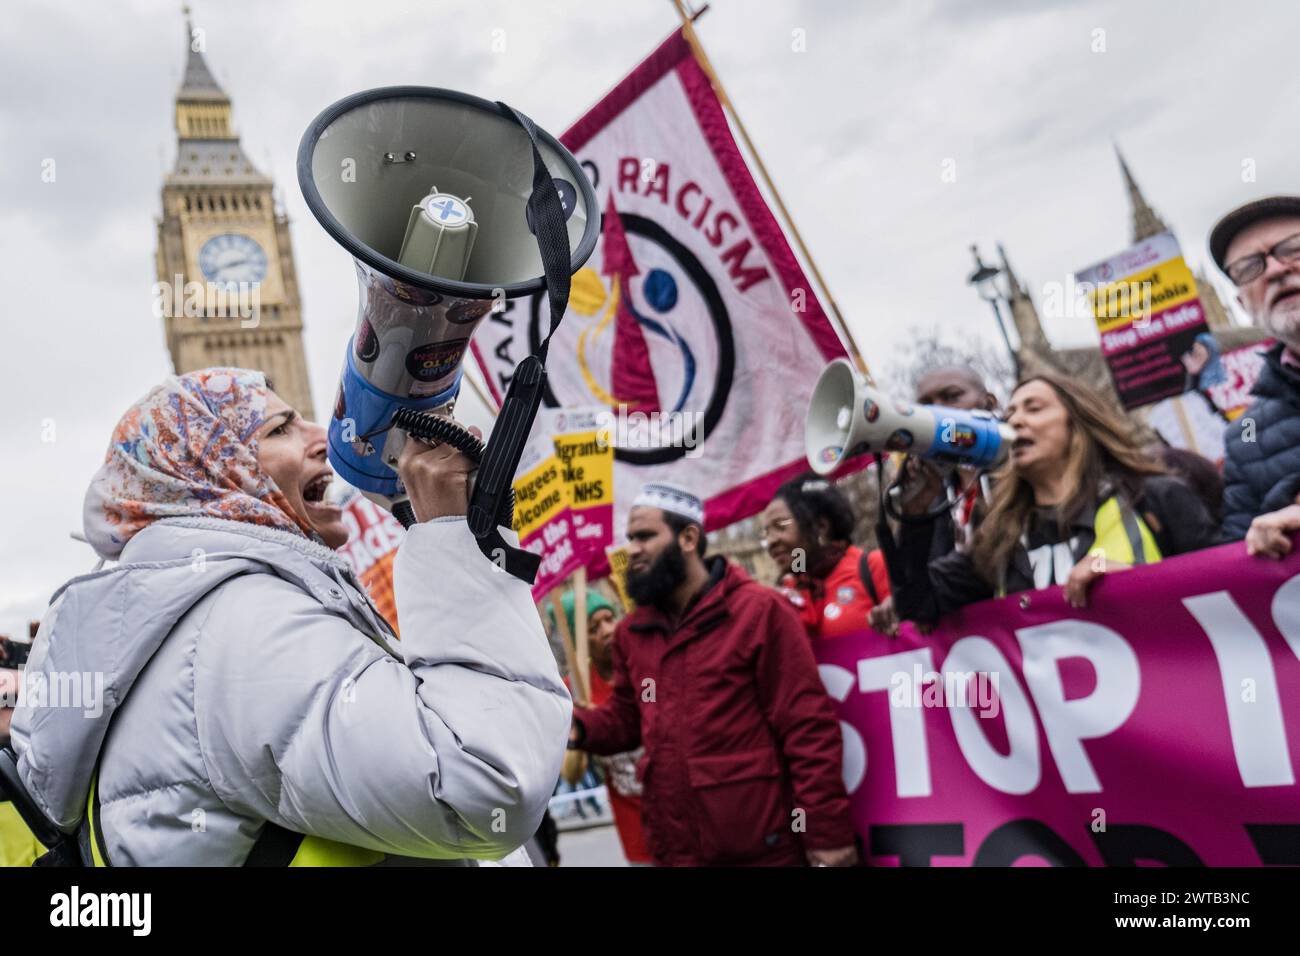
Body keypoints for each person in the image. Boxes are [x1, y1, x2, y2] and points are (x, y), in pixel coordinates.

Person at [7, 368, 569, 866]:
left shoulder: (186, 623)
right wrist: (452, 544)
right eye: (279, 429)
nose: (324, 439)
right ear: (205, 470)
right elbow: (484, 782)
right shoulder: (239, 624)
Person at [569, 482, 856, 867]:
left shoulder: (759, 613)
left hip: (764, 852)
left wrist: (827, 836)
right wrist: (577, 728)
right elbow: (627, 718)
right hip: (677, 852)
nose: (632, 549)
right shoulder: (632, 634)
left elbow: (808, 730)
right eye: (630, 538)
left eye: (645, 536)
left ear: (688, 538)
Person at [890, 373, 1219, 626]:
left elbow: (1226, 590)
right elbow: (917, 604)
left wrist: (1140, 584)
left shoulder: (1157, 497)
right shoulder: (999, 534)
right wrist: (913, 518)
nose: (1015, 421)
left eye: (1034, 409)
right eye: (1010, 413)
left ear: (1077, 424)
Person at [1208, 196, 1300, 539]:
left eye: (1294, 248)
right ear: (1241, 304)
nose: (1276, 270)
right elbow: (1228, 571)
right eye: (1249, 268)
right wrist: (1131, 581)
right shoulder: (1245, 440)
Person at [550, 590, 652, 865]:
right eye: (594, 628)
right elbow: (571, 774)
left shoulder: (644, 666)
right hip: (635, 831)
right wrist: (584, 728)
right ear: (578, 640)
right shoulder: (575, 689)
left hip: (680, 818)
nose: (608, 631)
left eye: (610, 619)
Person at [759, 474, 891, 641]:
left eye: (780, 526)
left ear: (820, 527)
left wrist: (897, 613)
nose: (770, 542)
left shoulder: (873, 566)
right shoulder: (785, 593)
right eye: (766, 533)